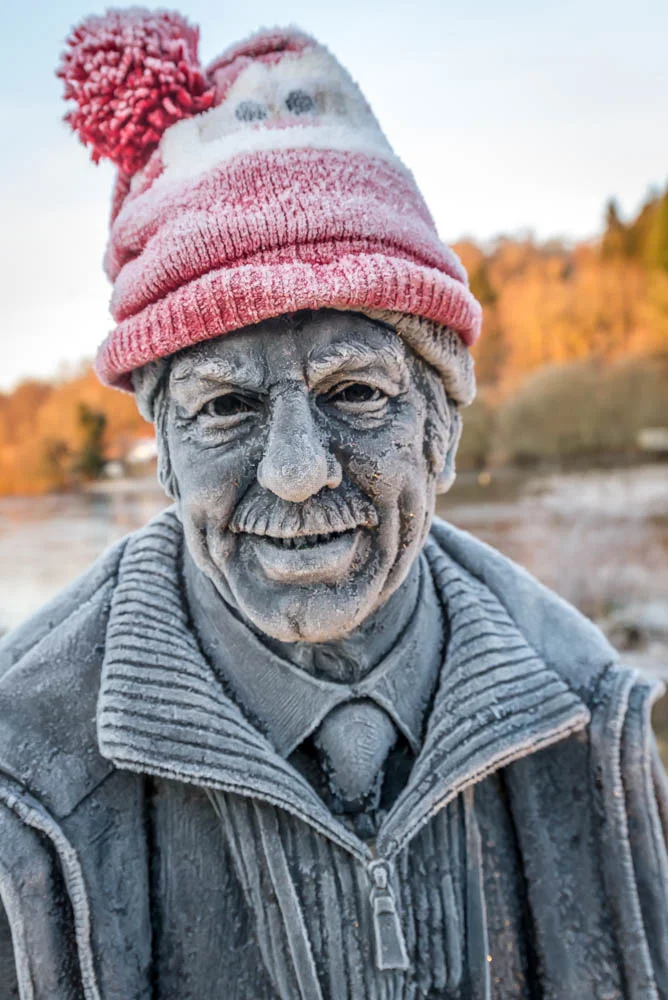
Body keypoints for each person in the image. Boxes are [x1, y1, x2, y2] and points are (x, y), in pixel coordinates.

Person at [0, 10, 666, 999]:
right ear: (165, 453)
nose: (298, 471)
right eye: (224, 405)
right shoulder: (22, 781)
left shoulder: (591, 717)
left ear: (441, 424)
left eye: (354, 391)